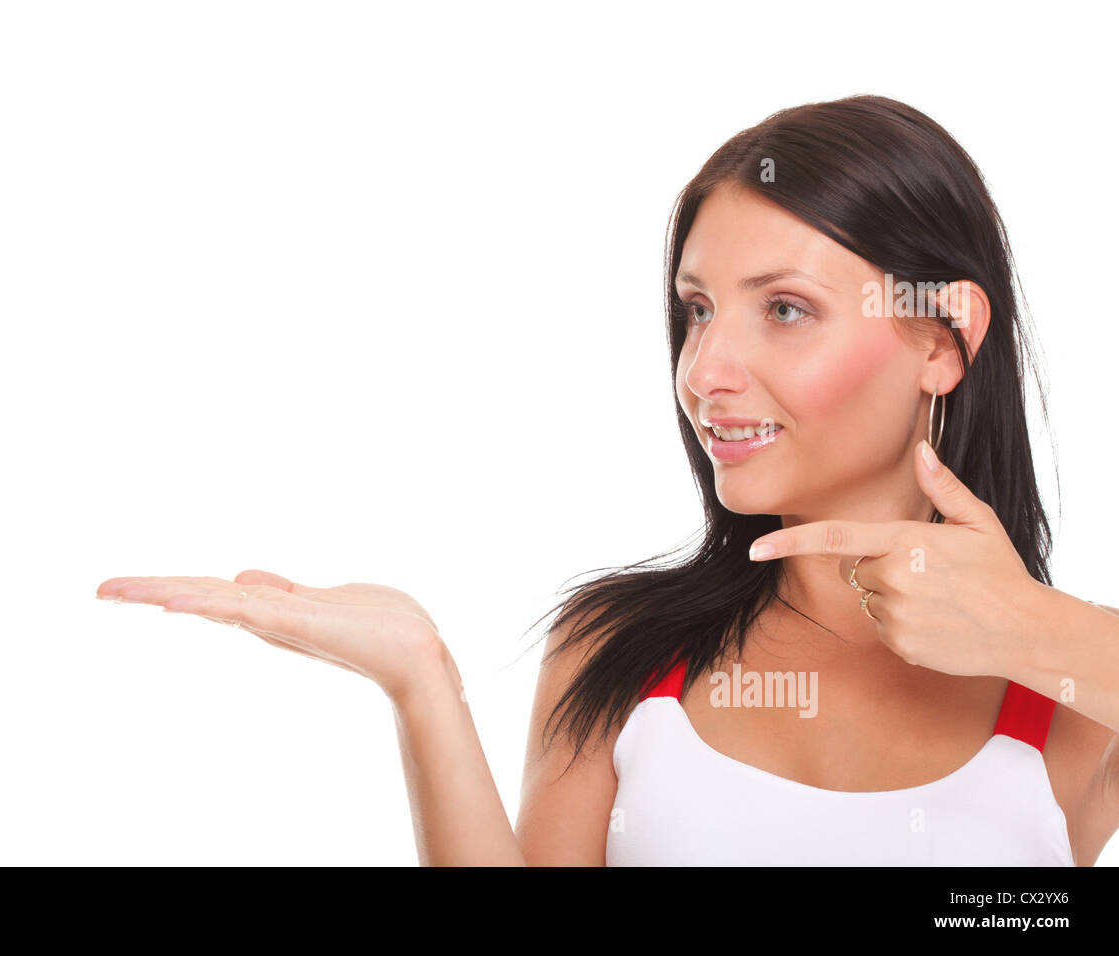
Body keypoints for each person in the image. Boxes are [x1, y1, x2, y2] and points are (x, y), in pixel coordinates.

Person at [95, 95, 1119, 866]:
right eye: (697, 308)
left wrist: (1024, 625)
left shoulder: (1072, 698)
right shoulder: (627, 655)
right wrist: (419, 677)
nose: (704, 372)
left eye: (785, 309)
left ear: (939, 340)